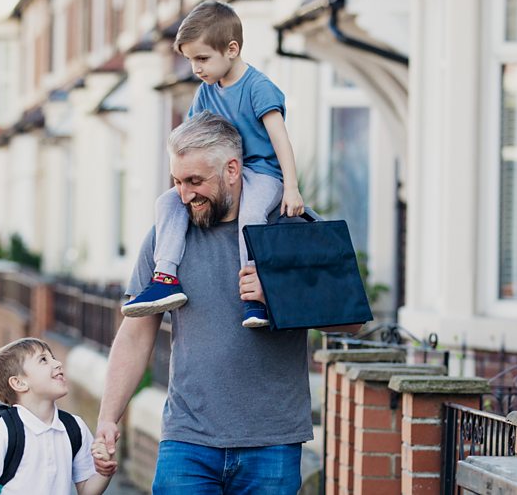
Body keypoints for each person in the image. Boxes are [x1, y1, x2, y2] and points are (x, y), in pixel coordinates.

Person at [94, 113, 361, 494]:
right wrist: (108, 416)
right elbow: (136, 336)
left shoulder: (289, 227)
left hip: (272, 443)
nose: (184, 195)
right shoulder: (166, 238)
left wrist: (281, 293)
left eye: (195, 181)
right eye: (177, 181)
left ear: (232, 170)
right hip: (187, 441)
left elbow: (351, 322)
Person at [121, 0, 304, 329]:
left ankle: (253, 298)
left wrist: (290, 187)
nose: (195, 68)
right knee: (168, 201)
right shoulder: (206, 92)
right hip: (227, 173)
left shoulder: (257, 88)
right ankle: (165, 277)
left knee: (250, 213)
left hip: (262, 173)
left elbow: (281, 139)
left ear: (232, 49)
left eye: (202, 58)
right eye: (191, 60)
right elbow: (189, 138)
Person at [0, 337, 115, 495]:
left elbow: (86, 490)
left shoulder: (74, 427)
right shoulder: (3, 432)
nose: (57, 363)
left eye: (53, 358)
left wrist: (104, 470)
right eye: (43, 360)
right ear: (19, 383)